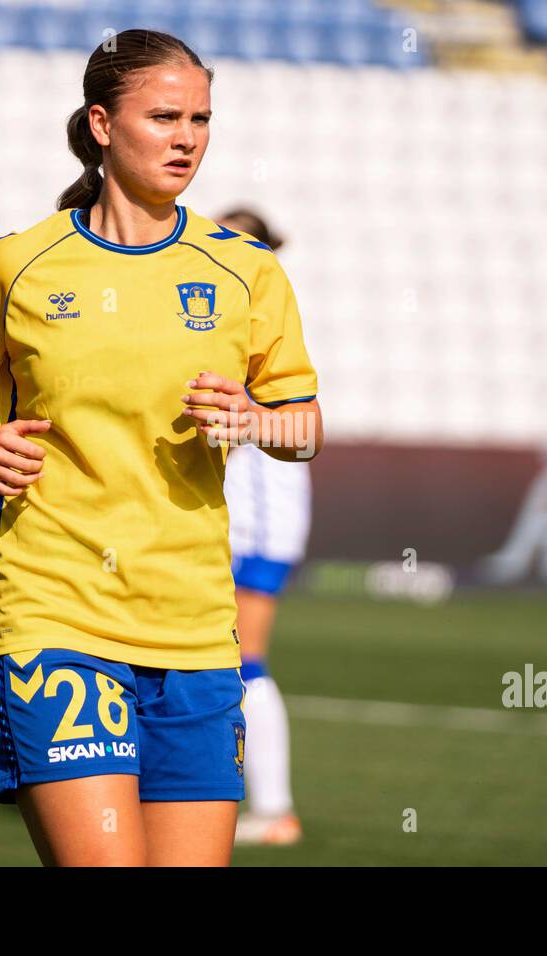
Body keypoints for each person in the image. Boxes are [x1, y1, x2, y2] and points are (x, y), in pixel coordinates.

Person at [0, 29, 323, 865]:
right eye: (164, 115)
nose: (188, 138)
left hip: (195, 634)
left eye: (202, 119)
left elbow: (304, 429)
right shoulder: (18, 264)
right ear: (102, 124)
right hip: (55, 615)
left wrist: (255, 422)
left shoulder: (248, 273)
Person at [216, 208, 309, 846]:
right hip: (261, 512)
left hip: (255, 516)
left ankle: (274, 810)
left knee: (244, 660)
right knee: (223, 659)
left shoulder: (250, 306)